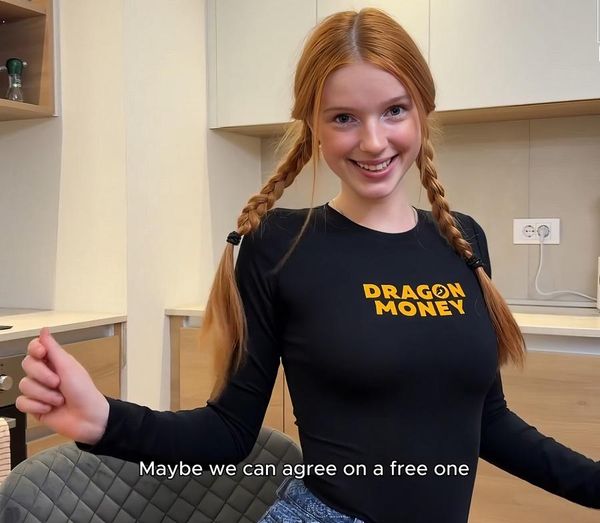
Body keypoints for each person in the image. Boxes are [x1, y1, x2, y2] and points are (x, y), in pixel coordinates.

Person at [16, 8, 599, 523]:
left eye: (394, 110)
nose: (373, 141)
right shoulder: (280, 245)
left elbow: (489, 421)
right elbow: (229, 431)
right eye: (344, 117)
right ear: (314, 126)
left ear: (422, 111)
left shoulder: (463, 240)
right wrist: (104, 420)